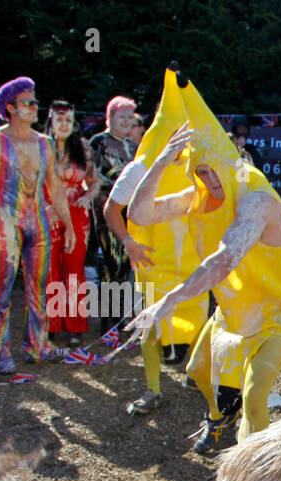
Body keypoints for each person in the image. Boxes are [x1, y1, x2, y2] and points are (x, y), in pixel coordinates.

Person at [126, 71, 281, 454]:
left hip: (278, 309)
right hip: (234, 308)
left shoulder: (255, 197)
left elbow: (224, 260)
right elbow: (139, 214)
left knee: (256, 395)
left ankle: (256, 472)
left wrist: (170, 299)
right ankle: (218, 418)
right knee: (196, 371)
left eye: (212, 169)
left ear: (228, 162)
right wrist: (159, 161)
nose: (208, 179)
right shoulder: (198, 196)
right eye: (200, 171)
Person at [112, 67, 209, 417]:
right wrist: (129, 242)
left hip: (194, 261)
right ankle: (153, 388)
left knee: (200, 320)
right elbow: (112, 209)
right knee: (151, 324)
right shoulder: (141, 167)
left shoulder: (199, 167)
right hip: (154, 262)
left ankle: (195, 375)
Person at [0, 77, 76, 373]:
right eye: (28, 103)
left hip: (38, 220)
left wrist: (68, 224)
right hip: (6, 219)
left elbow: (55, 188)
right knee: (2, 288)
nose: (35, 107)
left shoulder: (45, 143)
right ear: (11, 108)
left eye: (35, 102)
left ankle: (38, 344)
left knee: (39, 286)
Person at [43, 101, 94, 347]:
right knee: (50, 268)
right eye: (59, 120)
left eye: (68, 121)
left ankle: (75, 326)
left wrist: (88, 195)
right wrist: (45, 207)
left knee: (75, 270)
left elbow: (94, 180)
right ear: (50, 121)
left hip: (76, 211)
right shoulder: (39, 147)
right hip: (47, 210)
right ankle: (51, 325)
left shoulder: (82, 149)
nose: (64, 125)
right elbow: (27, 182)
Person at [88, 95, 138, 334]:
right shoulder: (99, 142)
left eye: (130, 116)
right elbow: (92, 176)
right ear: (110, 117)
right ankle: (108, 323)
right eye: (122, 116)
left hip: (131, 212)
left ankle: (123, 318)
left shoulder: (134, 146)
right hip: (106, 209)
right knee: (110, 264)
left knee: (127, 264)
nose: (127, 121)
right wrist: (117, 186)